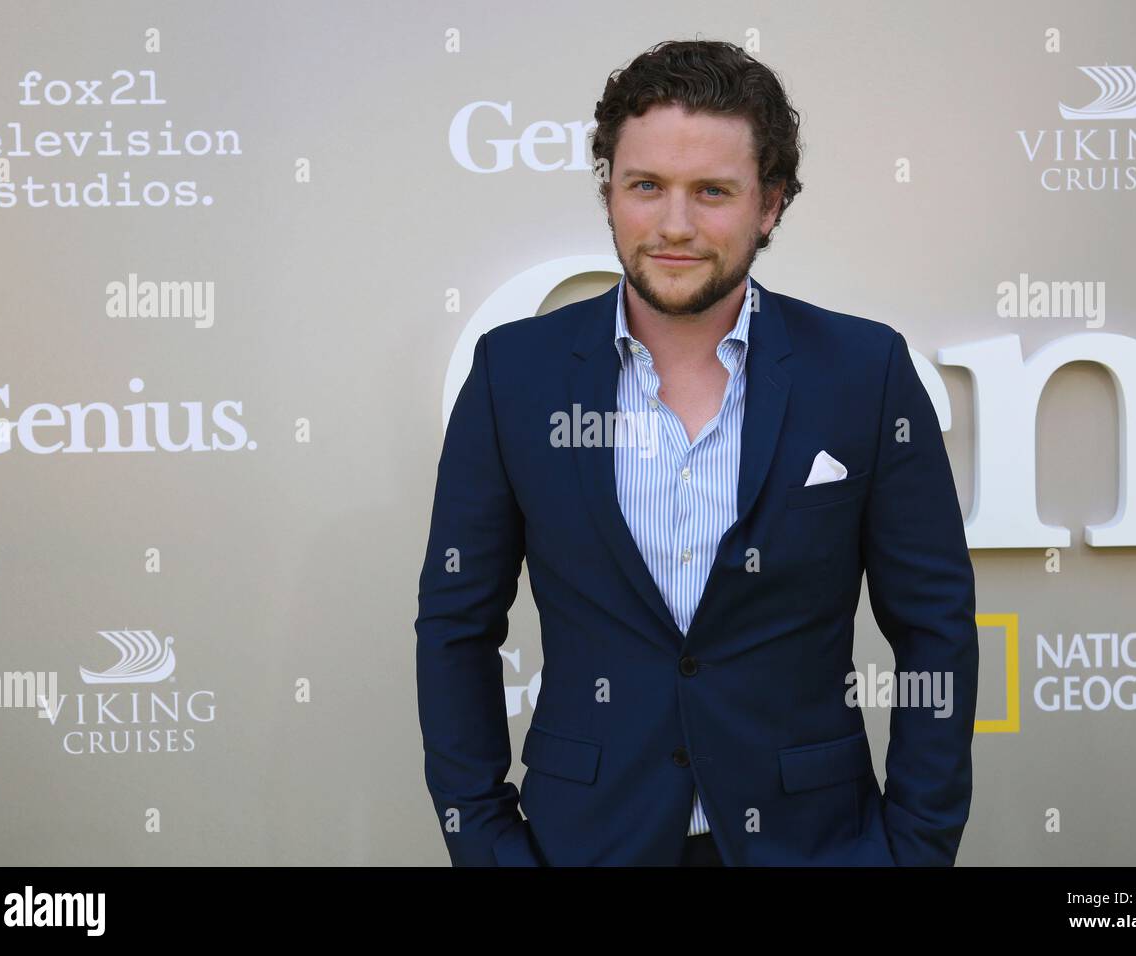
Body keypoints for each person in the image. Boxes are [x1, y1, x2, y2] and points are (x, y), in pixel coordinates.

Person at [415, 39, 978, 866]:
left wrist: (913, 850)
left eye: (712, 191)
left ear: (770, 204)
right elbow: (456, 629)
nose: (674, 225)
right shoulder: (514, 376)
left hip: (814, 846)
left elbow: (936, 629)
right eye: (646, 186)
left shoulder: (866, 372)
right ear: (610, 191)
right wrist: (491, 847)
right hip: (586, 845)